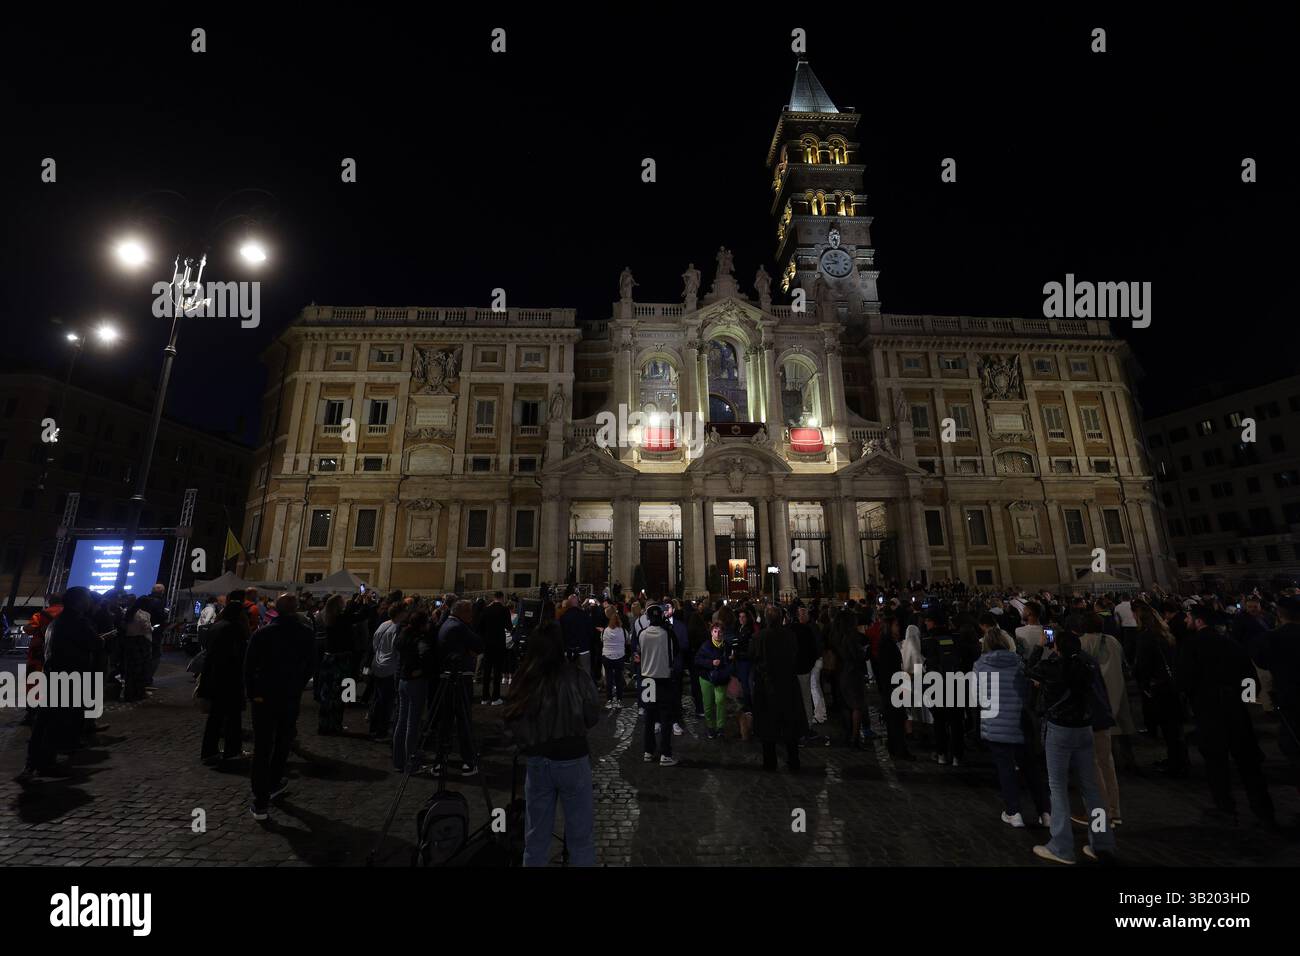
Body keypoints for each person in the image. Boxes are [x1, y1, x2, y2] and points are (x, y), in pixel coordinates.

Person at [503, 620, 601, 866]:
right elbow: (592, 714)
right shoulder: (575, 674)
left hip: (538, 761)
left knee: (535, 838)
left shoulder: (524, 677)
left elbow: (511, 720)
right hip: (573, 757)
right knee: (581, 839)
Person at [1026, 625, 1116, 864]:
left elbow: (1029, 669)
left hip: (1060, 731)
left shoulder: (1052, 668)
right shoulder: (1087, 667)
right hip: (1084, 730)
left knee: (1057, 789)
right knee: (1092, 790)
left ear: (1057, 648)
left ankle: (1062, 846)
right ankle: (1102, 842)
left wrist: (1039, 647)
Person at [1180, 604, 1276, 827]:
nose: (1186, 621)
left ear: (1199, 621)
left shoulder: (1191, 645)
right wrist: (1246, 699)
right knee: (1249, 763)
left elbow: (1183, 682)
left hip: (1209, 710)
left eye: (1188, 617)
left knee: (1216, 763)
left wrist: (1193, 699)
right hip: (1235, 709)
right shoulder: (1231, 643)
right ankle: (1264, 810)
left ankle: (1226, 807)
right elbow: (1250, 676)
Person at [243, 593, 315, 821]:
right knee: (283, 741)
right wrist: (298, 685)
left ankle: (260, 800)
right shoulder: (306, 634)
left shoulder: (263, 633)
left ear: (275, 609)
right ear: (296, 610)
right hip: (289, 696)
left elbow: (248, 666)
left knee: (263, 746)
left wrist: (253, 693)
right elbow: (311, 665)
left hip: (264, 696)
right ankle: (273, 783)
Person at [20, 587, 102, 779]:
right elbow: (94, 644)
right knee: (56, 721)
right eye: (87, 599)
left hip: (52, 674)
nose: (89, 602)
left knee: (45, 720)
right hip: (68, 676)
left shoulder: (55, 621)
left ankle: (35, 761)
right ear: (79, 602)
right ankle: (46, 762)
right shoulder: (78, 622)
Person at [974, 625, 1050, 828]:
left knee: (1006, 770)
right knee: (1032, 769)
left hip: (996, 724)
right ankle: (1045, 812)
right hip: (1019, 721)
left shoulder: (980, 665)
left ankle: (1014, 812)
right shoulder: (1018, 662)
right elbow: (1026, 689)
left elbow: (978, 695)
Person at [1077, 612, 1131, 827]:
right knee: (1106, 761)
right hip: (1112, 704)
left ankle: (1099, 815)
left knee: (1091, 765)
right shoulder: (1114, 641)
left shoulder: (1081, 645)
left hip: (1091, 709)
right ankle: (1113, 810)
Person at [1134, 604, 1189, 776]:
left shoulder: (1146, 637)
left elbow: (1142, 665)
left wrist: (1143, 682)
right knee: (1175, 728)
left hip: (1160, 687)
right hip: (1174, 685)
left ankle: (1176, 764)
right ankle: (1179, 759)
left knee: (1169, 728)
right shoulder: (1166, 634)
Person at [198, 590, 252, 764]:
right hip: (229, 678)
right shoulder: (234, 628)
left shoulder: (217, 626)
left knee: (215, 717)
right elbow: (237, 655)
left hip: (213, 676)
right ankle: (232, 751)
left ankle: (209, 751)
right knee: (233, 717)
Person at [751, 605, 807, 771]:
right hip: (787, 683)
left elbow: (753, 658)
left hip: (767, 685)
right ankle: (793, 760)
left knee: (768, 725)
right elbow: (795, 654)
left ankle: (770, 762)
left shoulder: (759, 637)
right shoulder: (789, 635)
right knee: (789, 723)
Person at [435, 600, 483, 776]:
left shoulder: (446, 623)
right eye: (470, 612)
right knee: (463, 721)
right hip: (460, 679)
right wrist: (469, 651)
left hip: (447, 678)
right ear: (462, 612)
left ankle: (440, 760)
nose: (471, 616)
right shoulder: (459, 627)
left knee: (446, 722)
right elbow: (479, 646)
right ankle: (468, 761)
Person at [922, 608, 967, 766]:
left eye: (927, 621)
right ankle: (957, 756)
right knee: (956, 721)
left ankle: (941, 753)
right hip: (955, 682)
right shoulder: (955, 636)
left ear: (932, 622)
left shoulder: (927, 638)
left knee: (939, 721)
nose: (925, 623)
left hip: (936, 684)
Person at [392, 611, 435, 772]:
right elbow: (425, 656)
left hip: (403, 681)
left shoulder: (403, 635)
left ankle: (398, 760)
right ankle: (411, 762)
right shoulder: (419, 639)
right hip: (415, 682)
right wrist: (422, 670)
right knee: (413, 724)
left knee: (401, 721)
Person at [317, 593, 363, 734]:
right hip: (341, 659)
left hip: (329, 658)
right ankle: (335, 725)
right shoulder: (342, 618)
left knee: (327, 694)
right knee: (341, 694)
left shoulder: (327, 617)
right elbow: (360, 616)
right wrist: (361, 602)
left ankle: (324, 724)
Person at [637, 604, 677, 765]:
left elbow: (639, 651)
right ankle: (665, 754)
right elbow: (676, 652)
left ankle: (648, 751)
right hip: (663, 679)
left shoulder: (642, 634)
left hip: (647, 679)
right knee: (665, 717)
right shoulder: (667, 634)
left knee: (649, 717)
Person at [875, 613, 912, 759]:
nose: (898, 627)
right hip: (893, 686)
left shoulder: (887, 643)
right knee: (896, 720)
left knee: (894, 719)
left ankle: (894, 748)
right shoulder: (887, 644)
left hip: (890, 686)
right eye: (896, 625)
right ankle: (899, 750)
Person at [829, 609, 868, 748]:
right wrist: (863, 652)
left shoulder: (836, 636)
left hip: (841, 672)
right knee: (857, 706)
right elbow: (856, 655)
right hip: (852, 673)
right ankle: (855, 738)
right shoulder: (850, 637)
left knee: (846, 706)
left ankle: (848, 733)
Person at [368, 603, 403, 738]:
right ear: (399, 614)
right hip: (389, 667)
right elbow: (397, 649)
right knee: (386, 701)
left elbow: (374, 643)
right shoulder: (396, 628)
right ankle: (381, 731)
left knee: (377, 698)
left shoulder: (383, 624)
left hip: (377, 664)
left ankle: (374, 726)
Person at [695, 622, 732, 739]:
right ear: (711, 632)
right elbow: (697, 660)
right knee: (708, 704)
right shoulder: (705, 646)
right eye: (715, 631)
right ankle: (710, 727)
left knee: (720, 701)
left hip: (721, 678)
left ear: (723, 633)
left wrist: (730, 661)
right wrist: (711, 663)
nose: (717, 634)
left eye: (720, 631)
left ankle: (720, 727)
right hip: (706, 678)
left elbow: (731, 663)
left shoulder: (727, 646)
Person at [477, 592, 511, 706]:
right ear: (502, 598)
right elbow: (509, 627)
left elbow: (480, 627)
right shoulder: (504, 610)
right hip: (499, 644)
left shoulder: (486, 610)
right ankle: (495, 697)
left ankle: (484, 697)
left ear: (494, 598)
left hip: (487, 644)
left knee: (486, 671)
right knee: (497, 671)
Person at [600, 605, 627, 708]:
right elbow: (627, 641)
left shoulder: (605, 631)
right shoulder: (623, 631)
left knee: (609, 679)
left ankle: (609, 700)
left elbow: (602, 641)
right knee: (619, 679)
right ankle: (619, 700)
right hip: (619, 657)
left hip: (607, 657)